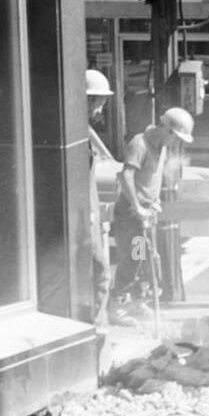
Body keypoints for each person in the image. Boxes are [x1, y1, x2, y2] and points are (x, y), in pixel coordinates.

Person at [110, 107, 193, 311]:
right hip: (131, 215)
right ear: (166, 129)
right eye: (175, 138)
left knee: (145, 260)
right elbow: (126, 176)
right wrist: (137, 205)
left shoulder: (161, 147)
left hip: (145, 212)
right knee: (134, 257)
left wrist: (153, 200)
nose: (176, 143)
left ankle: (138, 300)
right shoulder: (140, 144)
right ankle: (118, 301)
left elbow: (152, 178)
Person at [86, 70, 114, 326]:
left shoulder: (81, 133)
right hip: (86, 219)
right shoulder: (77, 137)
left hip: (89, 217)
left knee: (99, 274)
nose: (100, 111)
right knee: (101, 273)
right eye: (99, 104)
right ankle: (95, 327)